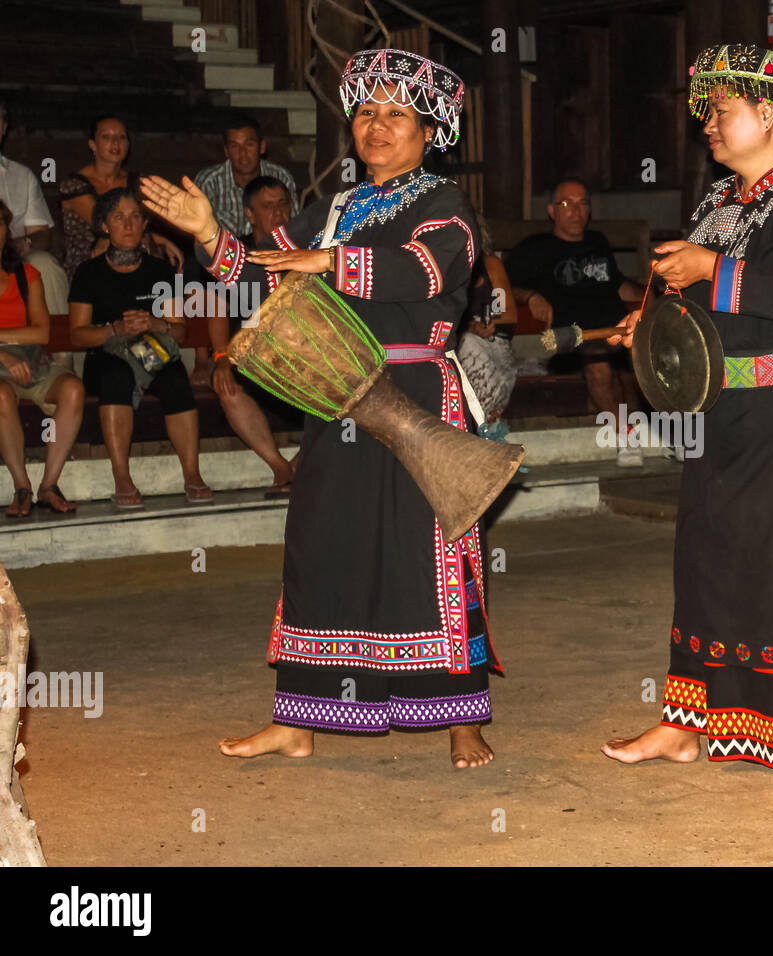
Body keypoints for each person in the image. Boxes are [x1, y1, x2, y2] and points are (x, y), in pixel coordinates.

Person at [142, 48, 502, 768]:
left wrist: (332, 261)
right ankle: (300, 716)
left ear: (429, 131)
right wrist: (209, 232)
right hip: (334, 397)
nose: (377, 125)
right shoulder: (333, 206)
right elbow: (254, 273)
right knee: (320, 546)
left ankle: (463, 719)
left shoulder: (445, 205)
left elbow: (425, 272)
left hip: (415, 400)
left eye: (397, 113)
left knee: (429, 554)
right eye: (367, 111)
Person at [601, 43, 773, 794]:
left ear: (769, 110)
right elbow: (681, 293)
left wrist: (713, 272)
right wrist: (648, 326)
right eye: (709, 114)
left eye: (722, 112)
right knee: (710, 562)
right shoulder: (719, 202)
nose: (709, 128)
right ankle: (688, 723)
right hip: (719, 412)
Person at [67, 189, 208, 508]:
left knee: (174, 378)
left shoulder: (160, 272)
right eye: (119, 217)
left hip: (153, 352)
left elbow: (181, 332)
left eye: (135, 217)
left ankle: (192, 474)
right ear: (104, 226)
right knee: (116, 377)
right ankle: (122, 478)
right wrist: (113, 329)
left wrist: (154, 324)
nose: (128, 224)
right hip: (107, 356)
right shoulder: (89, 273)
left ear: (145, 223)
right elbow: (77, 334)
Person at [505, 178, 644, 464]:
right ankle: (625, 437)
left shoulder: (598, 242)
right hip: (575, 336)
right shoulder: (536, 247)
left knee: (645, 359)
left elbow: (617, 284)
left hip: (616, 327)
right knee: (600, 366)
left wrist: (654, 301)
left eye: (583, 204)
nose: (576, 211)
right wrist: (531, 295)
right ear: (552, 211)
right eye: (566, 204)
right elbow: (502, 284)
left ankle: (667, 433)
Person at [206, 176, 302, 497]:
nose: (278, 213)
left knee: (342, 385)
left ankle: (300, 465)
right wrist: (220, 357)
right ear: (249, 214)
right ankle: (279, 466)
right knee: (227, 385)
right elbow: (216, 307)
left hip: (302, 356)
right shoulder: (236, 255)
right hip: (249, 356)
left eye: (283, 204)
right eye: (268, 207)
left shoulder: (307, 252)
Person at [0, 199, 84, 516]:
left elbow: (41, 334)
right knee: (1, 397)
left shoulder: (26, 275)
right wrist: (4, 356)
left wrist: (4, 344)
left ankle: (48, 485)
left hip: (32, 364)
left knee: (73, 389)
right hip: (2, 372)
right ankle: (22, 487)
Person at [59, 115, 183, 278]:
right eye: (107, 137)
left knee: (147, 247)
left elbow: (143, 223)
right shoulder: (75, 184)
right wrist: (162, 240)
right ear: (93, 145)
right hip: (89, 262)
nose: (116, 142)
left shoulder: (138, 182)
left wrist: (159, 240)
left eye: (121, 137)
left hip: (135, 253)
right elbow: (108, 226)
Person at [0, 98, 69, 313]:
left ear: (3, 128)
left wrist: (22, 244)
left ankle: (61, 344)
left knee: (44, 263)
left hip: (11, 256)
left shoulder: (21, 175)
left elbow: (42, 234)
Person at [456, 215, 518, 439]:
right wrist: (468, 327)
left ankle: (487, 428)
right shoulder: (443, 269)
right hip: (455, 356)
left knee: (470, 343)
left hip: (495, 350)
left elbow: (508, 313)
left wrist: (487, 324)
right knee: (464, 342)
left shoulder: (490, 264)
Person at [193, 115, 299, 236]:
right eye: (235, 146)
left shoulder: (280, 177)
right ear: (226, 152)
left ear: (262, 147)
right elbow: (199, 235)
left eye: (249, 145)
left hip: (272, 251)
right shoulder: (210, 182)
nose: (243, 154)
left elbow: (295, 227)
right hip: (222, 253)